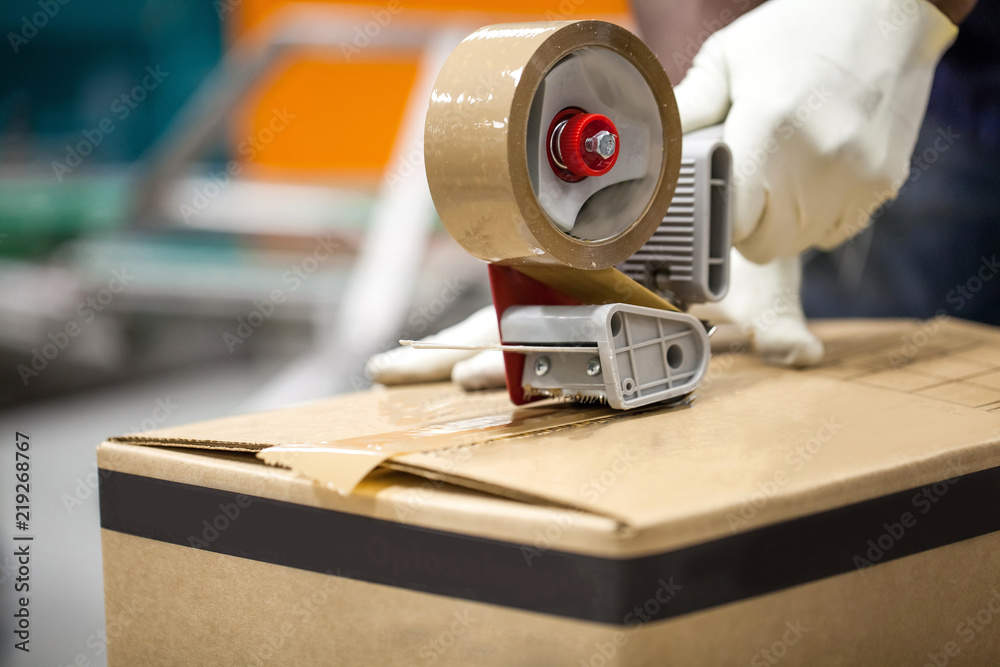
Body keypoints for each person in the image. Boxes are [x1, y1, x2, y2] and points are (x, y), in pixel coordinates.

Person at [367, 0, 976, 388]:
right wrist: (648, 222)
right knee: (805, 394)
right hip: (770, 66)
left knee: (943, 381)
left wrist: (898, 12)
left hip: (956, 76)